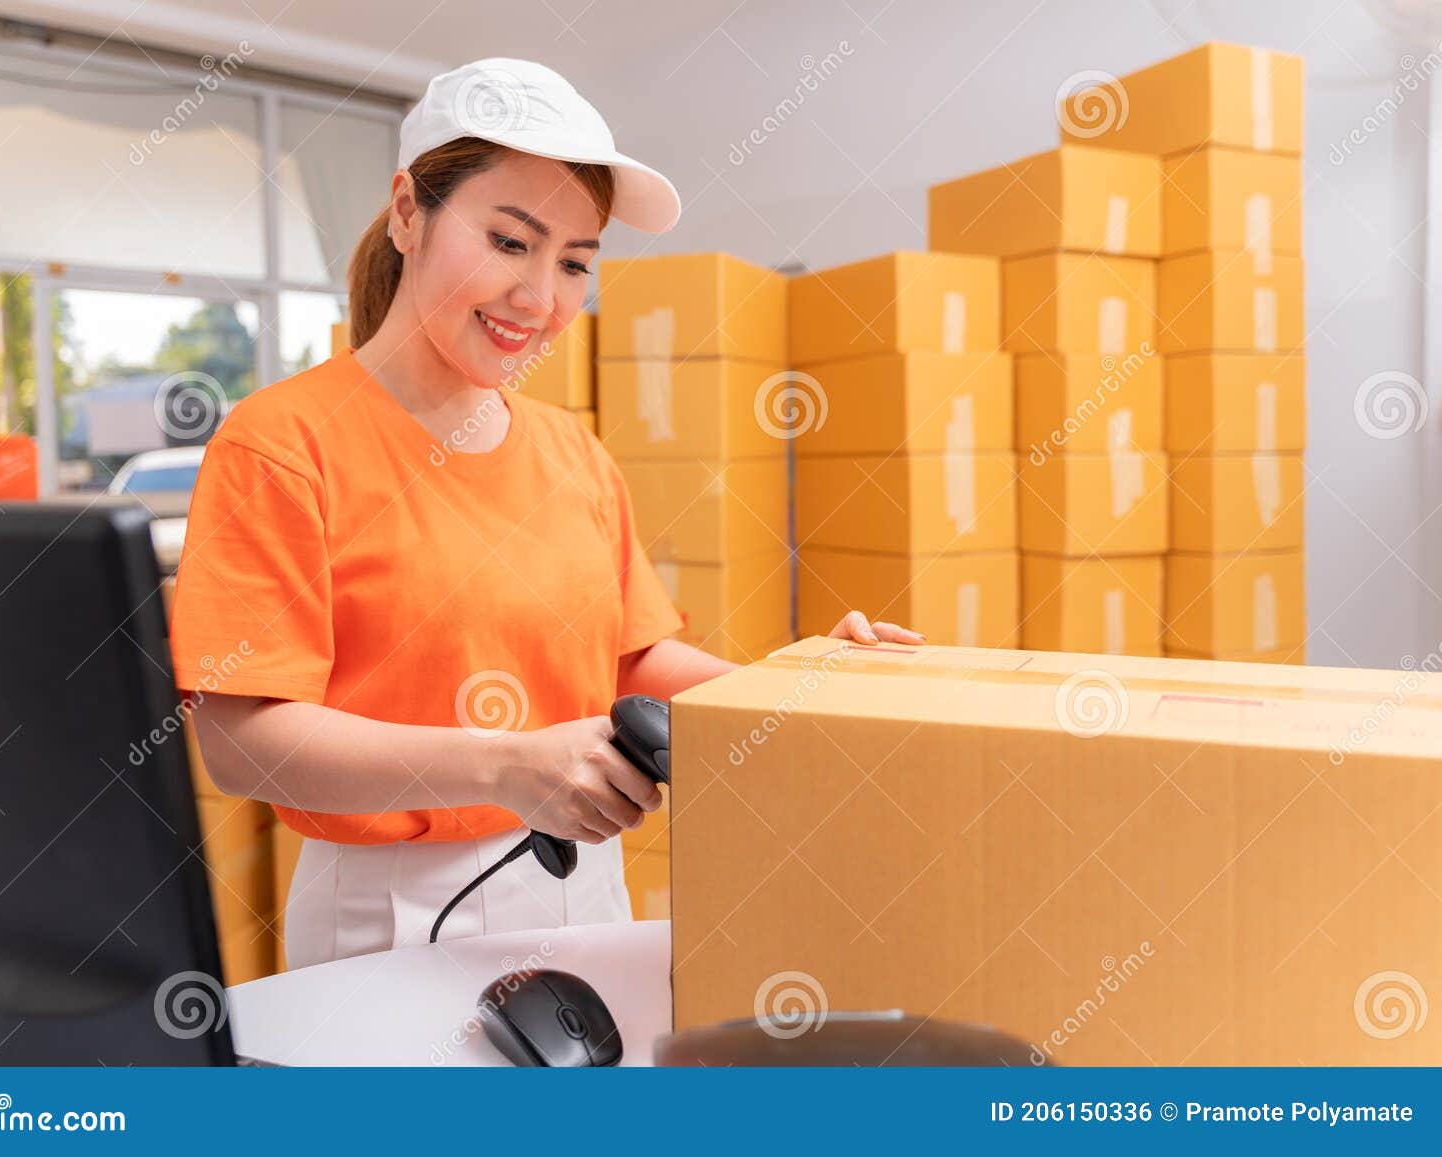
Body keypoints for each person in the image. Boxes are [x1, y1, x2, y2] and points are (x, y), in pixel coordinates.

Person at [168, 58, 923, 968]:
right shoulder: (283, 443)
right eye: (509, 241)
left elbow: (631, 660)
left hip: (581, 879)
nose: (540, 298)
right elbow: (241, 741)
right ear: (407, 212)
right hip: (389, 910)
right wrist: (504, 765)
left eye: (574, 263)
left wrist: (793, 687)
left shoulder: (574, 452)